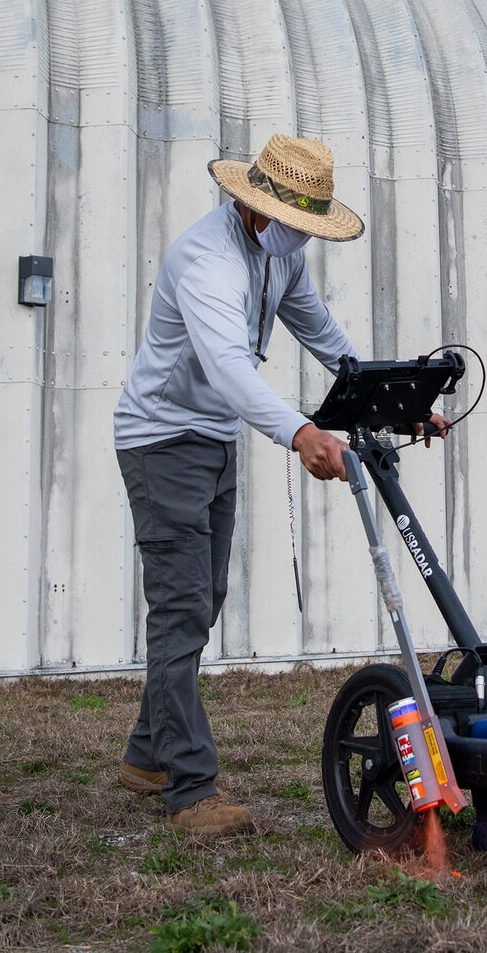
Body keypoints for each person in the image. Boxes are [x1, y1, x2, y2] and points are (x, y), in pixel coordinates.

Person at [111, 134, 446, 838]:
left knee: (204, 600)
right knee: (180, 607)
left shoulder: (278, 258)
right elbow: (231, 370)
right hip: (161, 439)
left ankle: (147, 753)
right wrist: (300, 433)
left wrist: (398, 400)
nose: (305, 241)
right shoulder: (206, 262)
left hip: (211, 439)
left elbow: (324, 334)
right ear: (260, 213)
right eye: (300, 227)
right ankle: (190, 788)